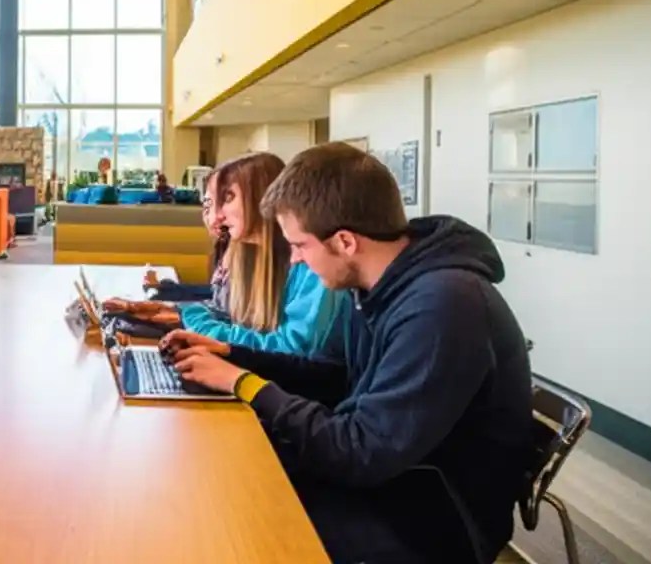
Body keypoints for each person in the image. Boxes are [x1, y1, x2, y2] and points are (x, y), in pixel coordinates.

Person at [164, 142, 533, 562]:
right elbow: (333, 375)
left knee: (236, 521)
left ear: (344, 241)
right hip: (389, 478)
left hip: (433, 516)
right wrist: (231, 354)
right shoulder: (376, 287)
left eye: (300, 246)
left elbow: (361, 451)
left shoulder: (445, 306)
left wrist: (243, 383)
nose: (297, 262)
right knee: (219, 476)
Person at [106, 153, 348, 358]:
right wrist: (172, 312)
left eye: (228, 198)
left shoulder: (313, 265)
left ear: (263, 198)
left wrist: (191, 319)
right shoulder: (245, 255)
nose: (216, 216)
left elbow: (288, 353)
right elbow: (230, 318)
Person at [144, 170, 227, 303]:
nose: (213, 217)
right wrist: (167, 290)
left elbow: (225, 311)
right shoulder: (226, 244)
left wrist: (176, 312)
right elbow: (216, 294)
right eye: (207, 206)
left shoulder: (248, 255)